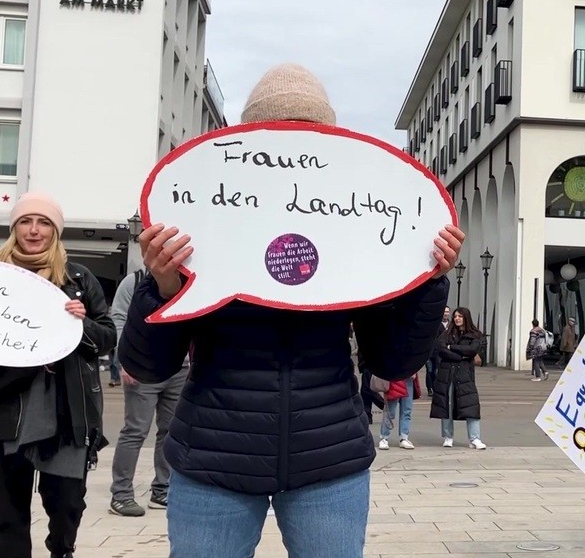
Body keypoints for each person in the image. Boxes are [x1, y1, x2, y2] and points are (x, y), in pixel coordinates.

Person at [118, 63, 463, 558]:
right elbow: (147, 366)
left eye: (310, 144)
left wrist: (424, 283)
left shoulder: (356, 237)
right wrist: (166, 285)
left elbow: (392, 362)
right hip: (215, 460)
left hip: (329, 464)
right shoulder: (204, 230)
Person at [0, 192, 116, 558]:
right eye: (25, 222)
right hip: (3, 411)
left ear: (56, 230)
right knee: (9, 516)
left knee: (67, 507)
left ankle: (60, 551)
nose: (34, 231)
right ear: (14, 228)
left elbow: (108, 338)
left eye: (44, 223)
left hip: (67, 414)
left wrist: (80, 324)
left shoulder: (78, 278)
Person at [108, 268, 189, 517]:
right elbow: (118, 319)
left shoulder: (191, 278)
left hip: (180, 368)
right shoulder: (135, 281)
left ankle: (162, 489)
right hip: (142, 367)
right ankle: (121, 494)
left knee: (170, 430)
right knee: (135, 431)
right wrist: (126, 360)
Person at [432, 307, 486, 449]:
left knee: (471, 405)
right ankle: (448, 436)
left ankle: (475, 438)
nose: (457, 318)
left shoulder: (475, 335)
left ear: (466, 318)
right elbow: (440, 349)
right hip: (448, 374)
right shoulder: (447, 333)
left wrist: (452, 348)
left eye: (460, 316)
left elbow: (472, 350)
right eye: (455, 316)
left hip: (465, 375)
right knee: (447, 404)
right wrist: (461, 356)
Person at [379, 373, 419, 450]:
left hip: (408, 377)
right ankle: (384, 437)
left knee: (406, 410)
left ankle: (404, 437)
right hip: (395, 378)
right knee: (390, 411)